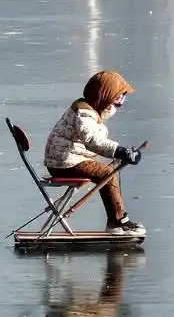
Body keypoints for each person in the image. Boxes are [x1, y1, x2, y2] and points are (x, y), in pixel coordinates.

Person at [43, 71, 146, 236]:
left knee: (109, 171)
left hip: (65, 160)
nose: (117, 108)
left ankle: (117, 218)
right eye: (116, 103)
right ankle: (117, 222)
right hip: (65, 163)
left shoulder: (86, 110)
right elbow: (93, 141)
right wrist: (120, 150)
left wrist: (120, 154)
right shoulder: (84, 114)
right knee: (107, 175)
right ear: (103, 99)